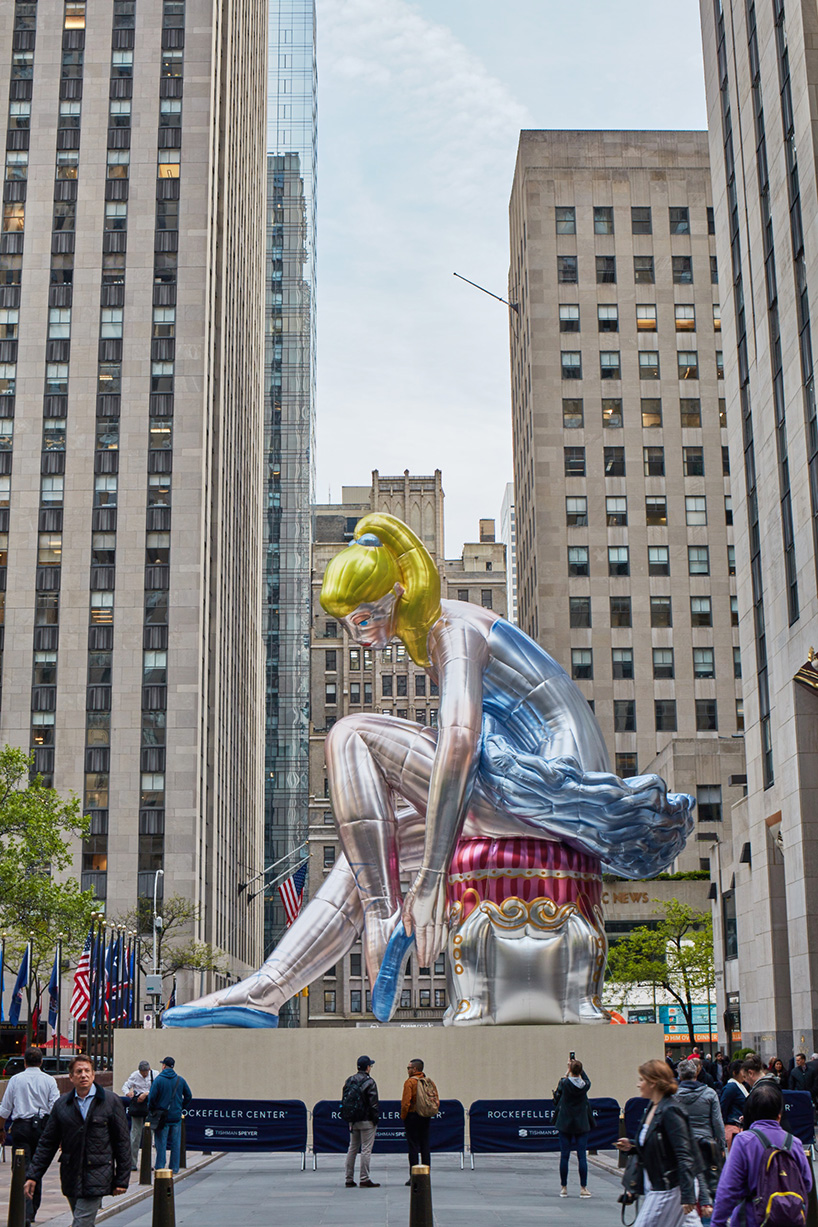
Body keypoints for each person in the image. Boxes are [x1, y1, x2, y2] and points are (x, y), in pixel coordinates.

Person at [164, 515, 694, 1029]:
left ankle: (382, 915)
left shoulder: (454, 629)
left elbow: (459, 742)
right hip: (530, 796)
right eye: (347, 625)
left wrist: (429, 881)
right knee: (368, 850)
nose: (357, 637)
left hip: (543, 790)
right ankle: (266, 991)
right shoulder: (441, 633)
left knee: (350, 734)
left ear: (396, 593)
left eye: (362, 620)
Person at [24, 1053, 130, 1227]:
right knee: (83, 1221)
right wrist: (33, 1175)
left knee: (81, 1223)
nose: (83, 1075)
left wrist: (122, 1178)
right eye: (79, 1071)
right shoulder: (62, 1105)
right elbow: (47, 1143)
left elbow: (122, 1141)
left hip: (98, 1174)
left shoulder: (110, 1101)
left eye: (87, 1071)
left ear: (93, 1075)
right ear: (71, 1077)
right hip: (71, 1174)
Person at [615, 1058, 704, 1227]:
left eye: (642, 1080)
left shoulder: (670, 1110)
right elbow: (660, 1143)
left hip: (670, 1186)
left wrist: (688, 1195)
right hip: (664, 1184)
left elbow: (684, 1153)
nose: (638, 1084)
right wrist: (632, 1145)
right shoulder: (654, 1106)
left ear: (653, 1083)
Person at [711, 1081, 812, 1227]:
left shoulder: (744, 1141)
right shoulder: (794, 1143)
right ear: (779, 1114)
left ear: (751, 1113)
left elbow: (728, 1188)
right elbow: (807, 1184)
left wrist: (717, 1222)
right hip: (790, 1220)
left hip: (753, 1219)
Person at [0, 1048, 60, 1224]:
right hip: (42, 1127)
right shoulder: (49, 1080)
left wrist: (1, 1129)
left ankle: (25, 1209)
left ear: (24, 1062)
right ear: (41, 1062)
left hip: (21, 1127)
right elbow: (56, 1108)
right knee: (37, 1167)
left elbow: (5, 1108)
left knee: (21, 1168)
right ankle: (32, 1210)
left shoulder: (16, 1080)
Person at [675, 1059, 725, 1226]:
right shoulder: (710, 1093)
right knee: (710, 1185)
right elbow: (717, 1122)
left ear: (679, 1075)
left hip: (683, 1147)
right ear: (696, 1073)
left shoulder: (674, 1096)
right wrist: (721, 1146)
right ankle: (708, 1220)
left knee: (686, 1186)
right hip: (706, 1145)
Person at [552, 1058, 593, 1199]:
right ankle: (583, 1188)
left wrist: (568, 1070)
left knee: (565, 1156)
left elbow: (558, 1093)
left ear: (570, 1070)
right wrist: (578, 1069)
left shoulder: (564, 1083)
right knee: (582, 1156)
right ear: (580, 1071)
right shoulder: (585, 1085)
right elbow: (587, 1079)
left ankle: (563, 1187)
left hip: (565, 1122)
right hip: (581, 1123)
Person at [146, 1056, 192, 1175]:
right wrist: (181, 1107)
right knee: (176, 1143)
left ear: (164, 1066)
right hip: (176, 1116)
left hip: (162, 1116)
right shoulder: (180, 1080)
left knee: (161, 1143)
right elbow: (188, 1095)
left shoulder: (159, 1080)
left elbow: (151, 1098)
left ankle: (160, 1167)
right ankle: (174, 1168)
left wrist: (153, 1109)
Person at [342, 1056, 380, 1189]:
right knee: (366, 1150)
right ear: (368, 1067)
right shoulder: (370, 1082)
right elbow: (373, 1104)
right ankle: (364, 1179)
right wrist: (375, 1119)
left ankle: (349, 1178)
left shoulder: (349, 1080)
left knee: (352, 1148)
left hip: (353, 1120)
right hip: (366, 1120)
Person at [121, 1060, 158, 1171]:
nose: (144, 1074)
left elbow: (157, 1089)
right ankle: (132, 1163)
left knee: (148, 1135)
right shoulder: (135, 1075)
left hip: (149, 1106)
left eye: (145, 1072)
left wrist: (146, 1093)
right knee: (135, 1135)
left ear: (149, 1070)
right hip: (138, 1106)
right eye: (142, 1072)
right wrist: (128, 1093)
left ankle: (147, 1163)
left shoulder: (155, 1074)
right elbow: (125, 1086)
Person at [401, 1058, 433, 1185]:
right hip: (425, 1115)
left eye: (409, 1068)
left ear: (415, 1069)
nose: (407, 1070)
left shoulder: (410, 1082)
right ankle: (426, 1175)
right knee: (425, 1145)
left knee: (413, 1146)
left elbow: (406, 1103)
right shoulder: (427, 1081)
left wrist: (404, 1116)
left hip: (412, 1115)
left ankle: (414, 1176)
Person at [719, 1059, 749, 1150]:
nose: (745, 1074)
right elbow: (723, 1107)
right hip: (734, 1128)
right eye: (743, 1071)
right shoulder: (731, 1087)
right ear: (735, 1072)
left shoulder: (740, 1086)